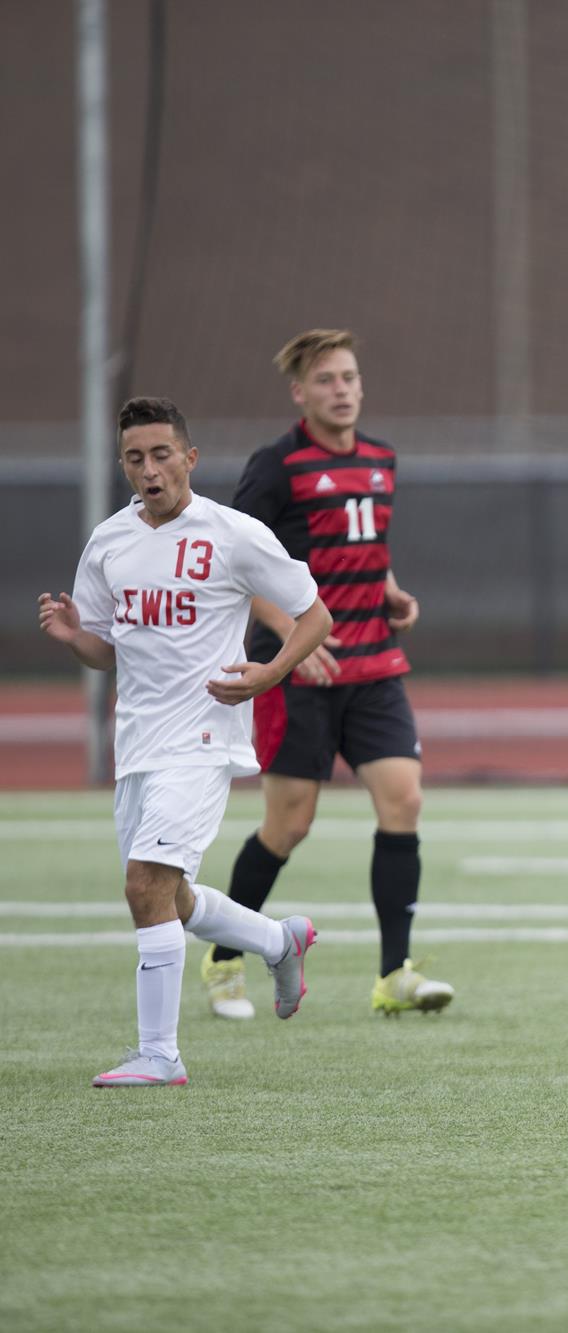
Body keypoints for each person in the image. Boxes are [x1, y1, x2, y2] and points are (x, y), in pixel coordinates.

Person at [38, 397, 332, 1087]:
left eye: (162, 454)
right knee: (171, 897)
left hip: (202, 737)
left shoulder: (233, 534)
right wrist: (75, 638)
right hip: (138, 743)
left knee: (145, 885)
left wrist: (268, 673)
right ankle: (277, 939)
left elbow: (313, 615)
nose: (150, 469)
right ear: (123, 466)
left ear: (189, 458)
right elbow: (106, 650)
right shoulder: (109, 541)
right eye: (136, 457)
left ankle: (160, 1055)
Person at [202, 329, 454, 1019]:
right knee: (290, 824)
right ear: (300, 393)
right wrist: (291, 638)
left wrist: (390, 588)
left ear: (361, 385)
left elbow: (364, 542)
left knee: (403, 801)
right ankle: (224, 959)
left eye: (348, 377)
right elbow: (234, 562)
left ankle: (393, 975)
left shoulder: (380, 459)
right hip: (300, 670)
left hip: (373, 664)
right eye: (325, 380)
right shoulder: (276, 465)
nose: (340, 389)